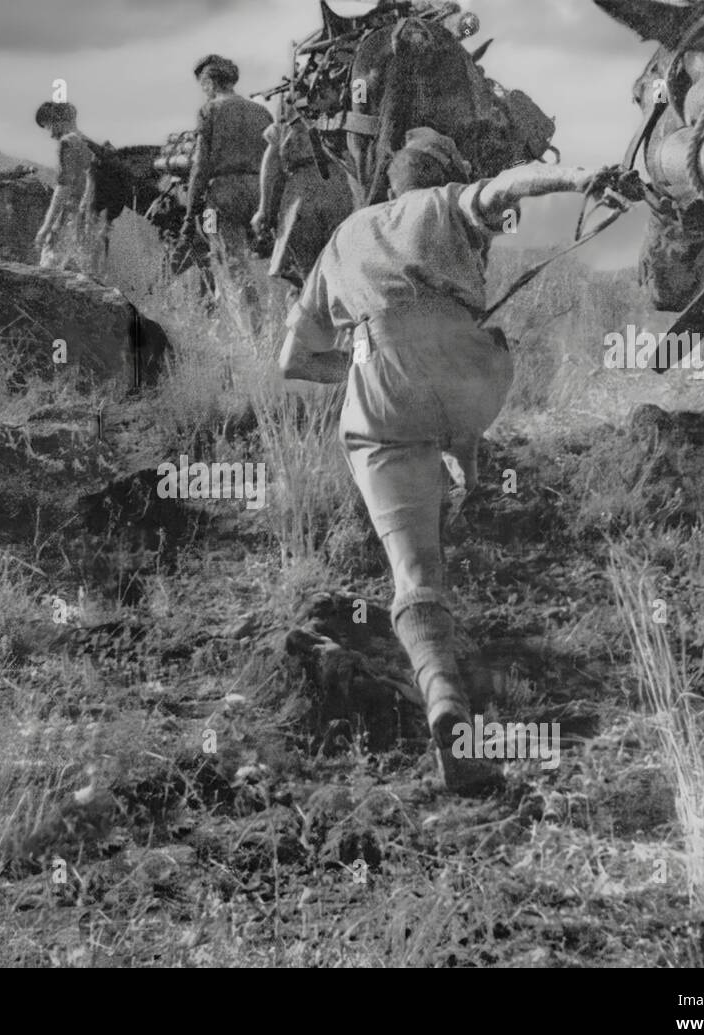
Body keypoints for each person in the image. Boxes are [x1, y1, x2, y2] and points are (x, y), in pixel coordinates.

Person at [279, 128, 599, 795]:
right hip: (475, 376)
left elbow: (292, 361)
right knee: (452, 422)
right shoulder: (447, 203)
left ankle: (445, 702)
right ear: (437, 177)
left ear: (389, 184)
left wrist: (366, 365)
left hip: (381, 386)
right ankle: (465, 466)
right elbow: (510, 185)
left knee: (413, 573)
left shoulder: (344, 237)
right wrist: (581, 179)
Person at [178, 54, 271, 328]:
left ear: (209, 82)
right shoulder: (261, 111)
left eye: (203, 84)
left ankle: (248, 336)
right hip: (259, 194)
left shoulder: (210, 111)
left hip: (221, 198)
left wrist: (188, 216)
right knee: (257, 267)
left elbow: (200, 167)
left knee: (227, 264)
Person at [252, 88, 353, 292]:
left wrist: (264, 209)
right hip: (341, 185)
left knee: (307, 279)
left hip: (302, 193)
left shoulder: (289, 100)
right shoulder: (349, 89)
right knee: (345, 270)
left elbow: (272, 162)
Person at [34, 101, 106, 277]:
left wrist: (46, 226)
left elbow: (63, 189)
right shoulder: (90, 144)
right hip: (93, 218)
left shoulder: (68, 143)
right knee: (85, 272)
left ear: (58, 121)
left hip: (72, 216)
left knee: (48, 269)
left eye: (49, 127)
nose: (51, 135)